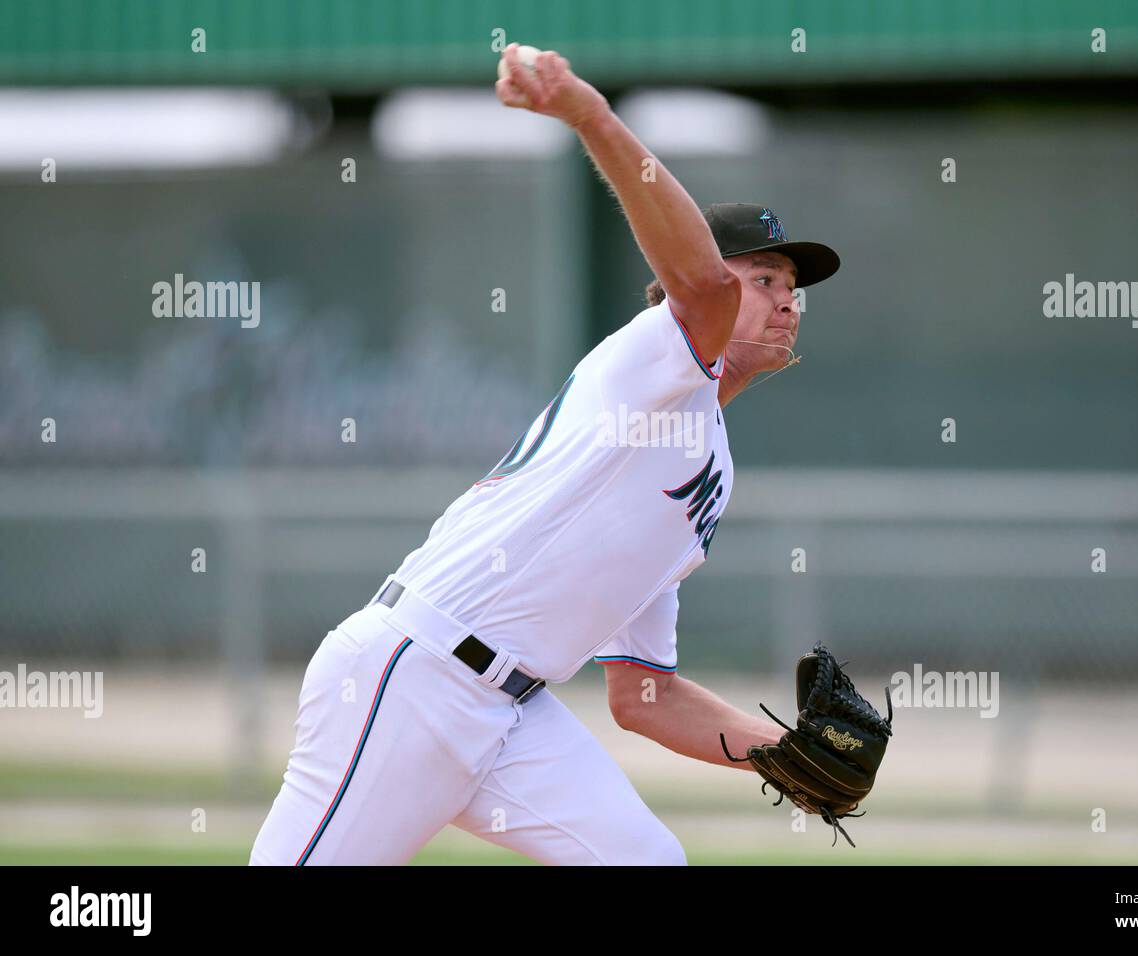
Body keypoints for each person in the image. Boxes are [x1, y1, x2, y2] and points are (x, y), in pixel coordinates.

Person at [250, 43, 840, 866]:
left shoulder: (709, 462)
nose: (787, 299)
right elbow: (699, 289)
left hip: (513, 719)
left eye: (793, 286)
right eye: (765, 277)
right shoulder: (654, 364)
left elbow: (645, 695)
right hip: (412, 677)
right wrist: (587, 114)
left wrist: (779, 752)